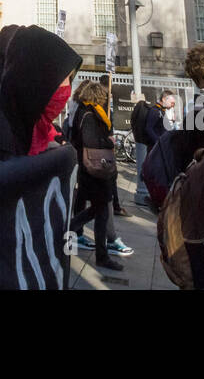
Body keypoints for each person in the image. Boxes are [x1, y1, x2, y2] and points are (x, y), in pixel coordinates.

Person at [0, 25, 80, 169]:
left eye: (70, 78)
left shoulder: (46, 131)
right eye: (63, 78)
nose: (67, 88)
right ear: (39, 78)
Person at [68, 79, 128, 270]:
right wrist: (109, 142)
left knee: (98, 209)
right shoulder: (89, 114)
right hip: (94, 169)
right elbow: (90, 139)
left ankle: (70, 228)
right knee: (100, 210)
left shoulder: (85, 111)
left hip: (91, 170)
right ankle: (101, 255)